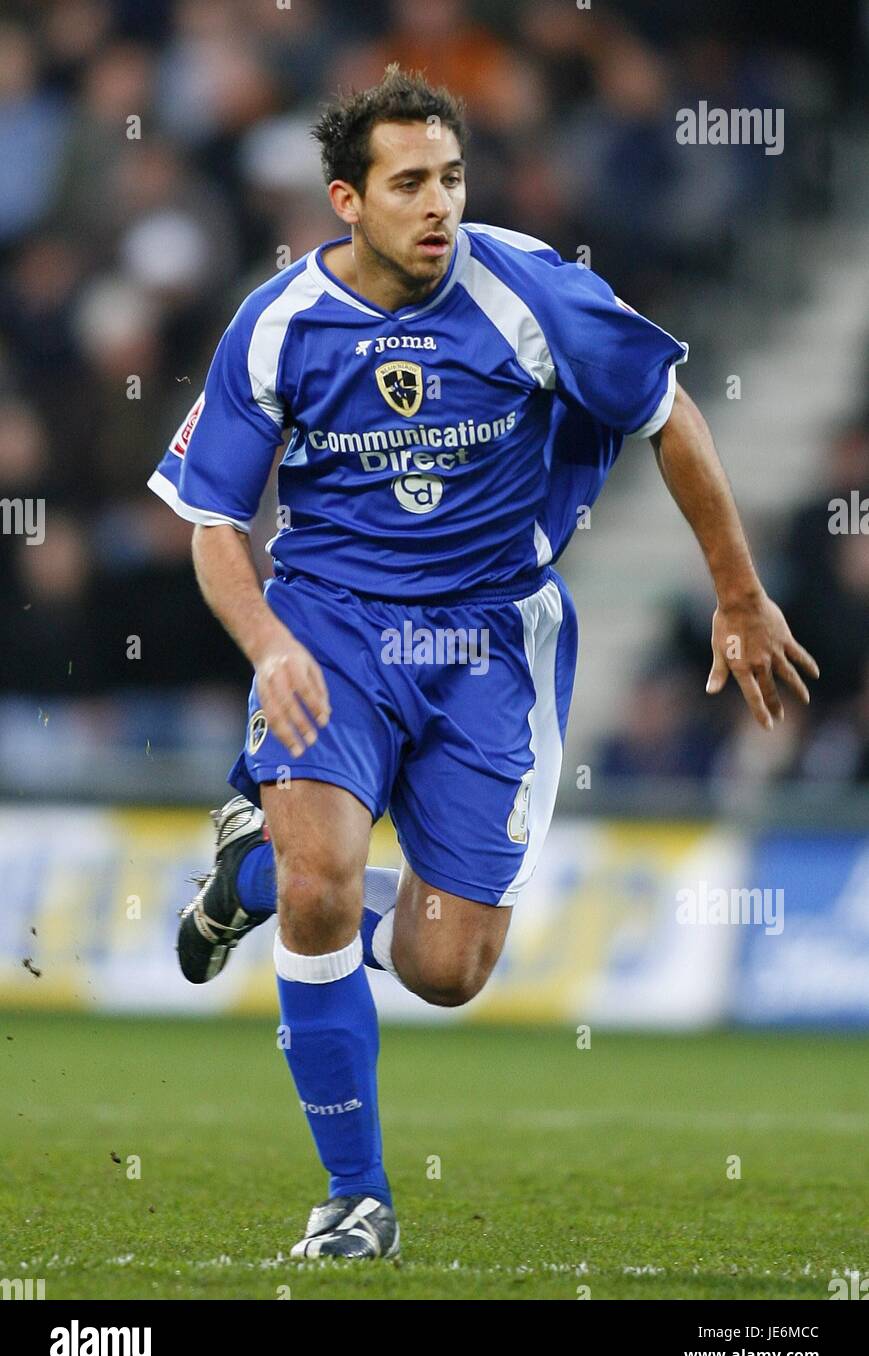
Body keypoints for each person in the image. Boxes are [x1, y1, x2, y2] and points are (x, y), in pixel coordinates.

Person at [147, 65, 818, 1261]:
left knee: (446, 968)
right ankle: (356, 1198)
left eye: (451, 178)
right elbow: (209, 521)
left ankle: (241, 879)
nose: (438, 205)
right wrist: (265, 641)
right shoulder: (277, 323)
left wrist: (736, 590)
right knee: (326, 883)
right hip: (333, 628)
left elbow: (665, 413)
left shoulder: (533, 291)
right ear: (346, 202)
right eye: (409, 184)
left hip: (489, 640)